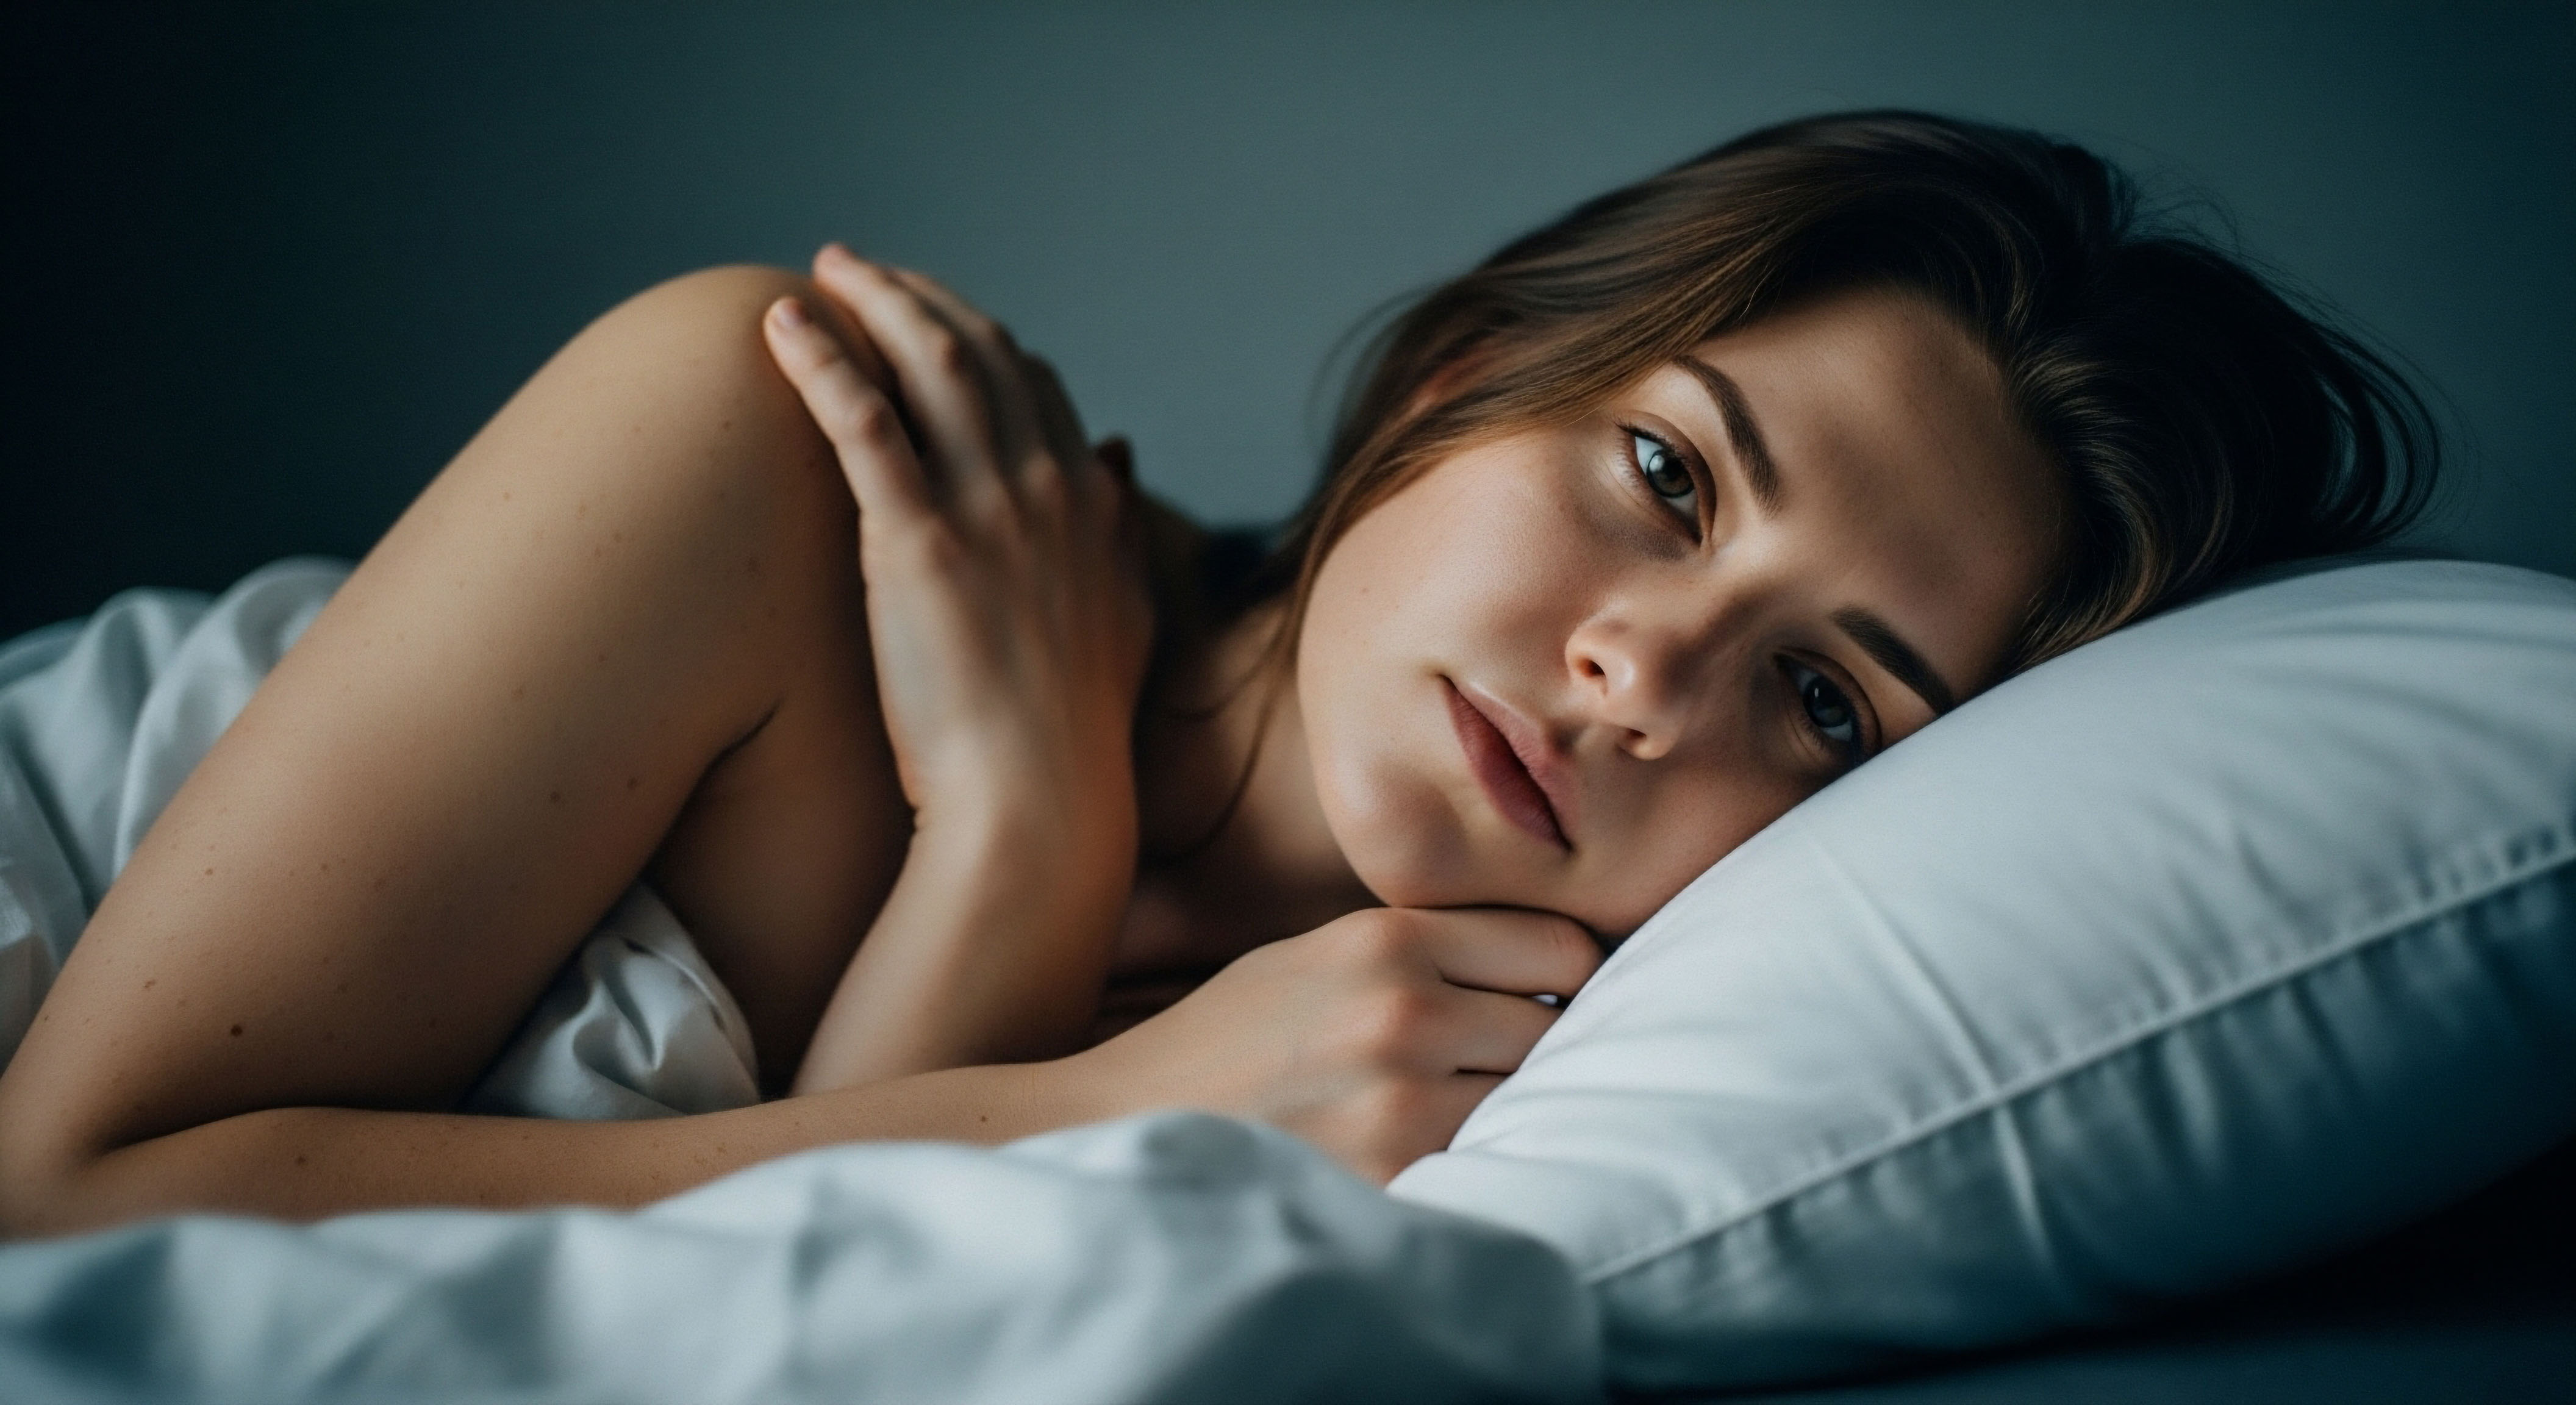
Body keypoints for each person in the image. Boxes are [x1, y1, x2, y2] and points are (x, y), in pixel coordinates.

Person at [0, 111, 2432, 1236]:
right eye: (1672, 481)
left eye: (1829, 705)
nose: (1640, 676)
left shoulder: (1456, 1103)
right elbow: (66, 1209)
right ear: (1473, 366)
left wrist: (1018, 861)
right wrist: (1055, 945)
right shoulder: (788, 445)